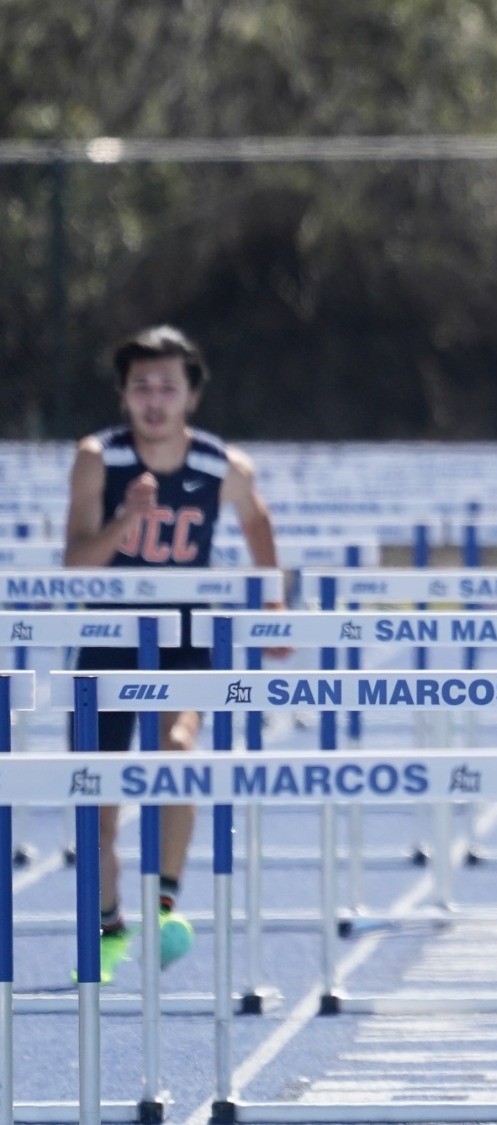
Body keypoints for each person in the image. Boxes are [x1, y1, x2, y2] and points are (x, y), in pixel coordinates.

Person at [63, 325, 285, 982]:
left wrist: (272, 603)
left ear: (191, 393)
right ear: (123, 396)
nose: (153, 400)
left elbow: (258, 522)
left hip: (187, 637)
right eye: (140, 388)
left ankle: (163, 905)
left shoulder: (224, 465)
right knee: (94, 796)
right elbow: (75, 568)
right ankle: (106, 924)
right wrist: (124, 522)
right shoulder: (97, 458)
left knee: (178, 750)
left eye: (167, 386)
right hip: (108, 639)